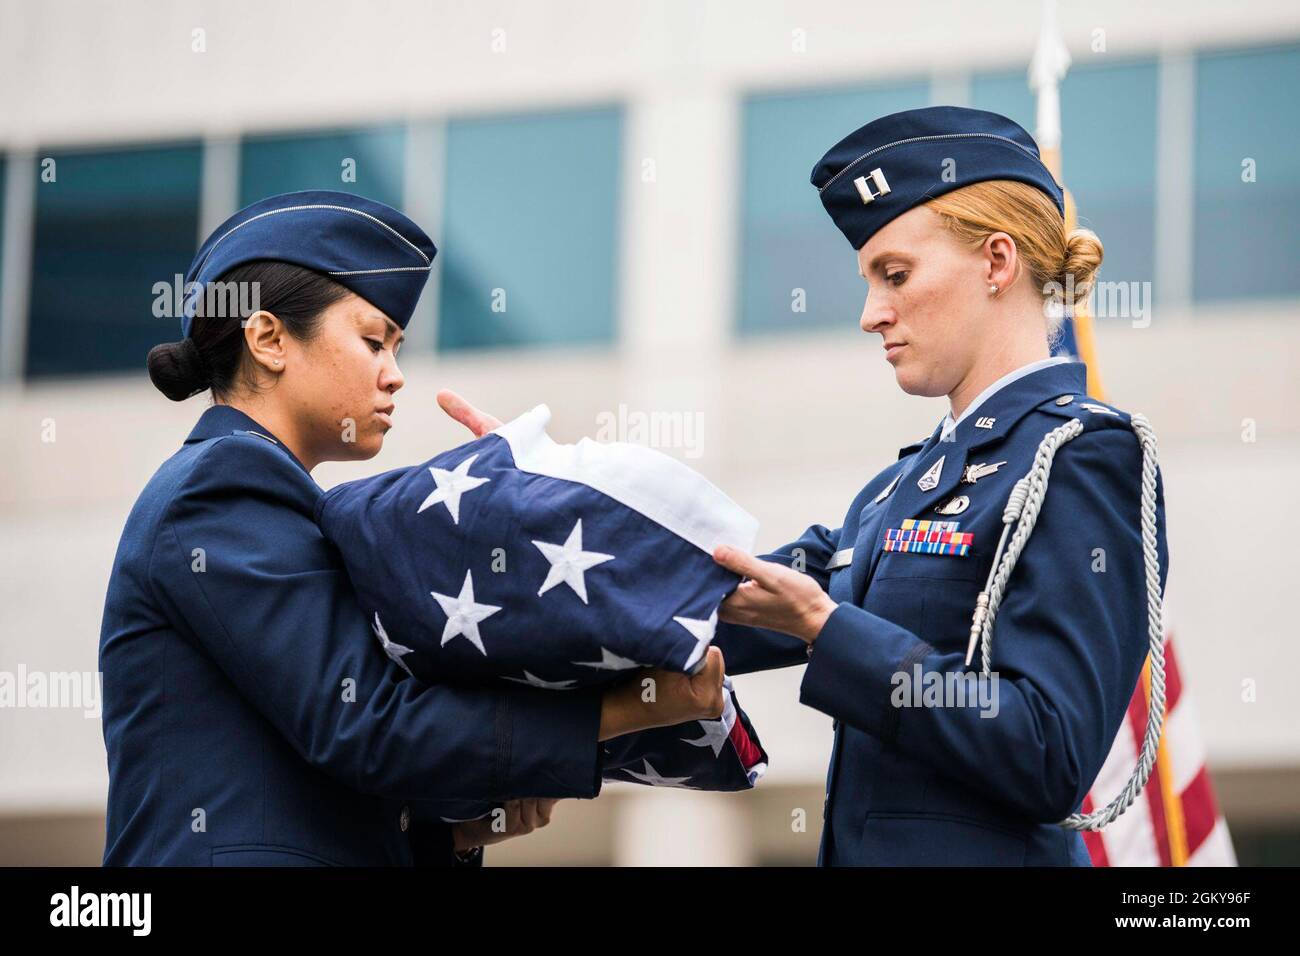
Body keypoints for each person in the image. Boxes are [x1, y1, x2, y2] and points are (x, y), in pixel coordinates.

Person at [99, 190, 725, 867]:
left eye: (396, 348)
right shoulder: (222, 488)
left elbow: (309, 778)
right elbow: (362, 724)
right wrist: (622, 713)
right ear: (269, 339)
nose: (394, 376)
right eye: (372, 341)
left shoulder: (266, 497)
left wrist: (447, 835)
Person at [705, 106, 1170, 865]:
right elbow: (721, 598)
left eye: (896, 274)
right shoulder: (899, 487)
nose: (870, 315)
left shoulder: (1085, 457)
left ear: (996, 261)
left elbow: (1050, 749)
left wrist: (830, 630)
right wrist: (547, 508)